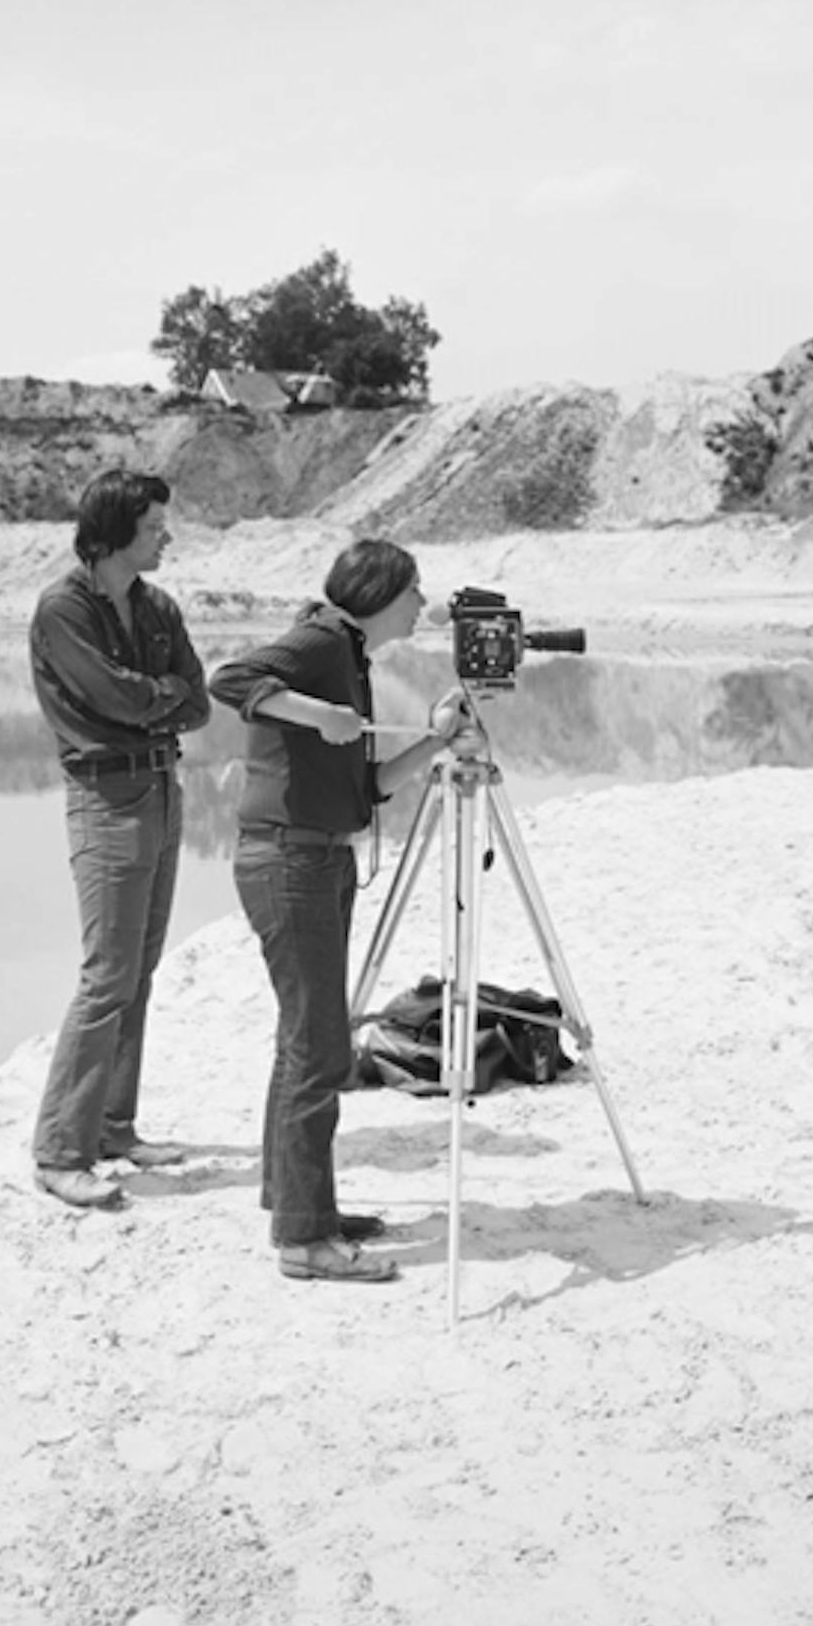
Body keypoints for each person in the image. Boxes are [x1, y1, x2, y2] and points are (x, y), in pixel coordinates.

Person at [209, 538, 467, 1283]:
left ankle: (297, 1204)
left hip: (318, 856)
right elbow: (231, 679)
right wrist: (316, 712)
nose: (422, 604)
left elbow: (368, 788)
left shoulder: (349, 656)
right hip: (290, 861)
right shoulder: (324, 641)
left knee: (306, 1039)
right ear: (383, 593)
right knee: (319, 1048)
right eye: (414, 591)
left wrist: (435, 739)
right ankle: (304, 1239)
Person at [29, 469, 210, 1209]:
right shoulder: (62, 611)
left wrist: (153, 704)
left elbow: (196, 699)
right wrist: (153, 700)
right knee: (108, 974)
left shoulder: (158, 605)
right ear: (114, 534)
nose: (167, 535)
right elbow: (114, 698)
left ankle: (113, 1126)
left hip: (162, 788)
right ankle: (59, 1151)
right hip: (105, 797)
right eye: (154, 526)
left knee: (140, 968)